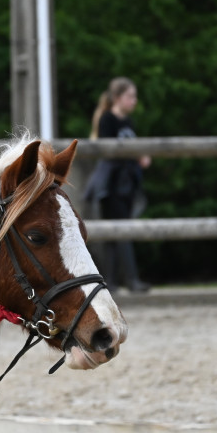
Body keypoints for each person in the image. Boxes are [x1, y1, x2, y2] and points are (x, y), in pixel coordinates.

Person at [83, 77, 151, 293]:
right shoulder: (107, 120)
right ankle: (129, 280)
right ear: (117, 98)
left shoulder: (128, 122)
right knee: (120, 231)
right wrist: (134, 154)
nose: (134, 100)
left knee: (117, 232)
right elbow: (109, 152)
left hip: (127, 184)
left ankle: (112, 282)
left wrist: (139, 156)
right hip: (111, 185)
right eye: (130, 96)